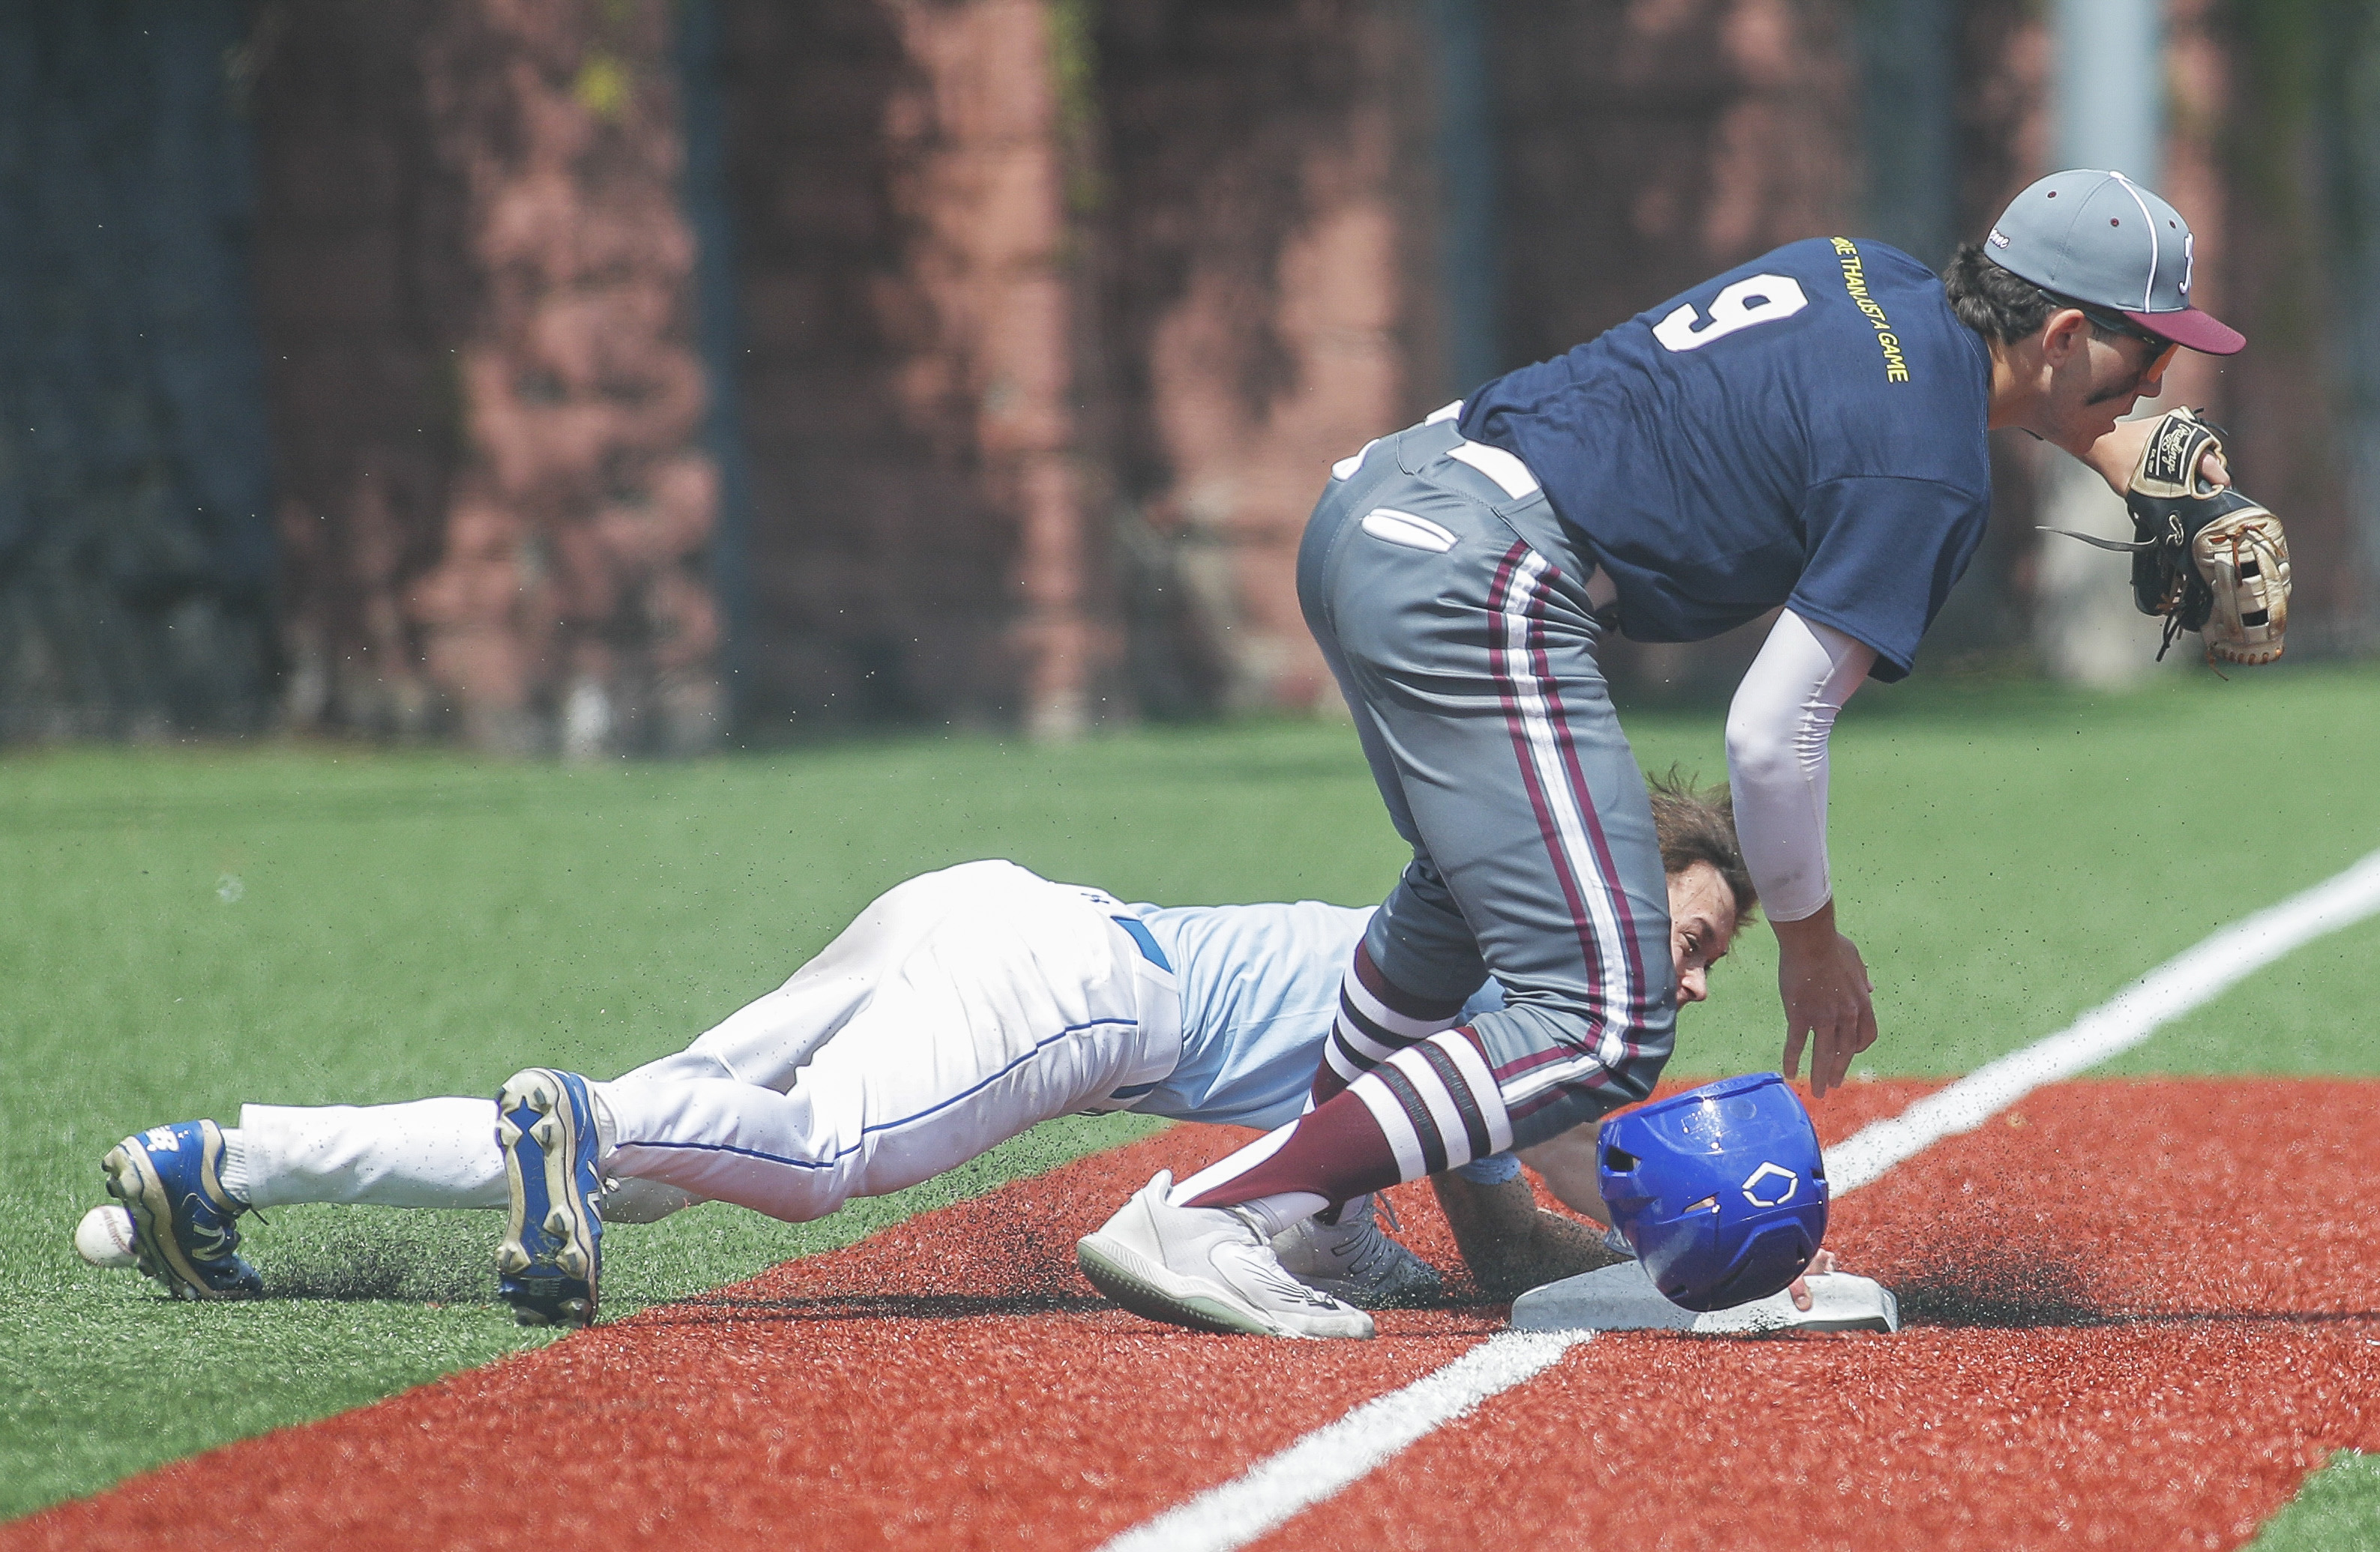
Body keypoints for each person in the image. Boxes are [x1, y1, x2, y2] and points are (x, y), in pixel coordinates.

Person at [1074, 169, 2244, 1339]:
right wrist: (1812, 945)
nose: (2159, 389)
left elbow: (1863, 394)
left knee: (1462, 896)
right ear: (2065, 333)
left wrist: (2091, 437)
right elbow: (1771, 733)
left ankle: (1309, 1222)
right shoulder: (1928, 466)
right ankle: (1222, 1213)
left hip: (1378, 507)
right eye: (2151, 359)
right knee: (1605, 1016)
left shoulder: (1865, 271)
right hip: (1473, 570)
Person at [96, 776, 1753, 1329]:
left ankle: (219, 1166)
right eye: (1687, 930)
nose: (1690, 970)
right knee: (810, 1163)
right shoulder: (1524, 1001)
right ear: (1610, 891)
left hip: (991, 907)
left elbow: (1401, 1208)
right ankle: (577, 1111)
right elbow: (1515, 1233)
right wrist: (1705, 1262)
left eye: (1711, 955)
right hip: (1069, 988)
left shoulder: (1479, 957)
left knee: (657, 1174)